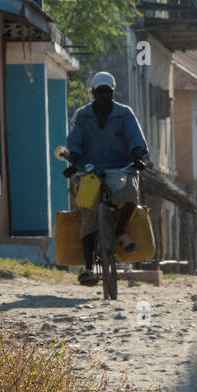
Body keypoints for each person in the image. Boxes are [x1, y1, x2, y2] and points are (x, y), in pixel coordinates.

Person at [64, 71, 149, 286]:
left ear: (113, 92)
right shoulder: (82, 116)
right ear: (93, 93)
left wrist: (138, 157)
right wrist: (73, 164)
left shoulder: (125, 114)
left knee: (130, 195)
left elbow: (135, 139)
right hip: (90, 173)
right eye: (99, 91)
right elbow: (74, 144)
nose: (103, 95)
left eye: (107, 91)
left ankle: (120, 231)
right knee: (88, 215)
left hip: (120, 170)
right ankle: (89, 268)